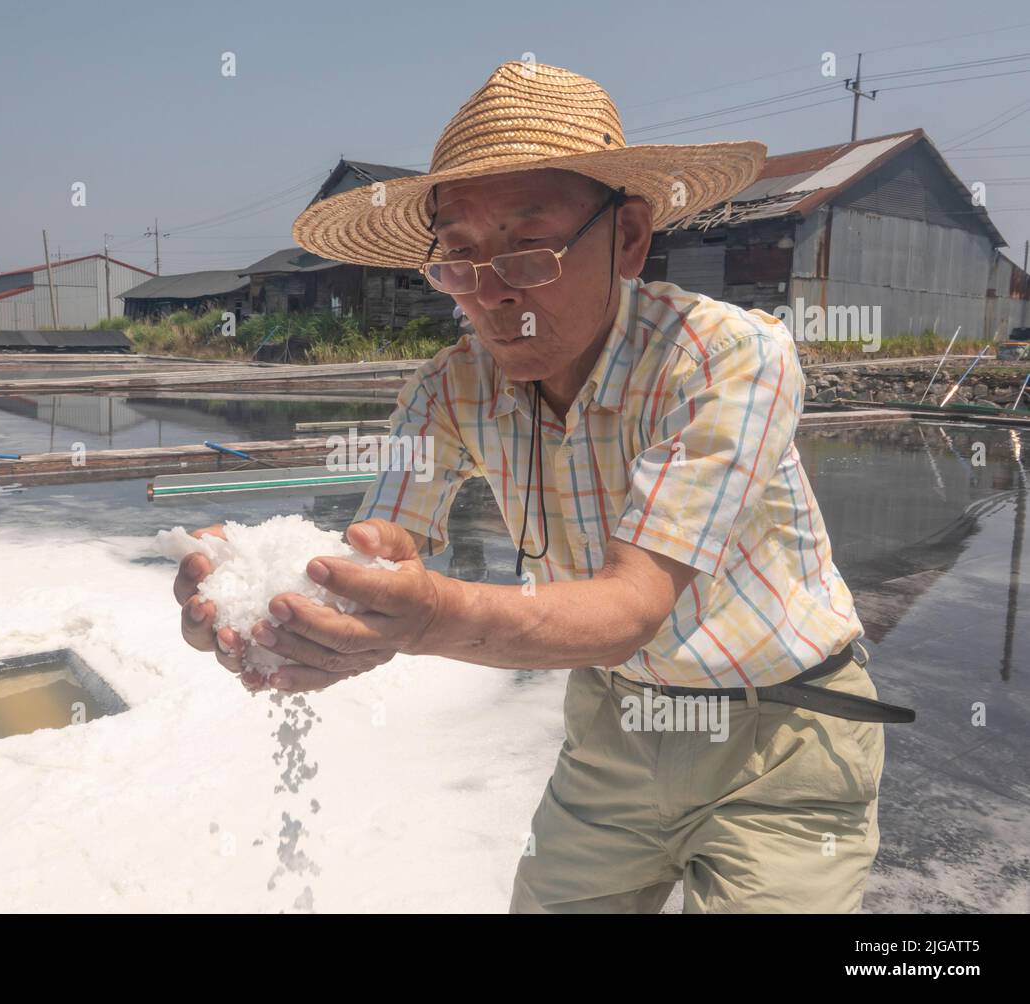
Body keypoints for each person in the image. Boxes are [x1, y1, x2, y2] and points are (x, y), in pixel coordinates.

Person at [174, 61, 912, 913]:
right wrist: (272, 610)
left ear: (628, 237)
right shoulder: (449, 388)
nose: (491, 297)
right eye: (458, 257)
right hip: (615, 725)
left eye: (529, 250)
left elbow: (634, 606)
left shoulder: (719, 358)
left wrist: (433, 617)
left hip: (781, 737)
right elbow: (381, 549)